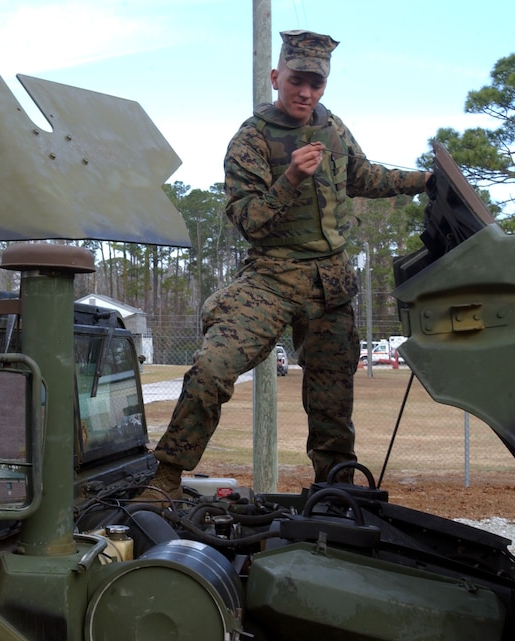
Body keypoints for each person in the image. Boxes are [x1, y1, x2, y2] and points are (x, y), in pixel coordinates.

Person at [140, 29, 431, 501]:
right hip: (271, 279)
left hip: (330, 283)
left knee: (333, 403)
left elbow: (363, 175)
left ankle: (334, 497)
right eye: (297, 80)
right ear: (277, 77)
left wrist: (426, 180)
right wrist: (292, 177)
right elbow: (249, 221)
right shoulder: (251, 139)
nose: (306, 93)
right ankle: (166, 478)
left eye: (316, 84)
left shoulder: (332, 127)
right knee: (211, 370)